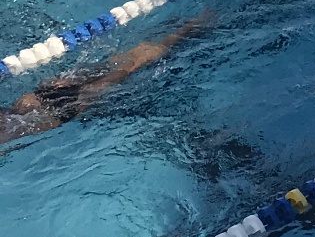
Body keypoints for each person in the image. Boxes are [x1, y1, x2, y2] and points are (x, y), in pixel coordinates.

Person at [0, 20, 208, 146]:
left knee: (125, 66)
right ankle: (184, 29)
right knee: (121, 64)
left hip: (56, 108)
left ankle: (185, 30)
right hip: (43, 100)